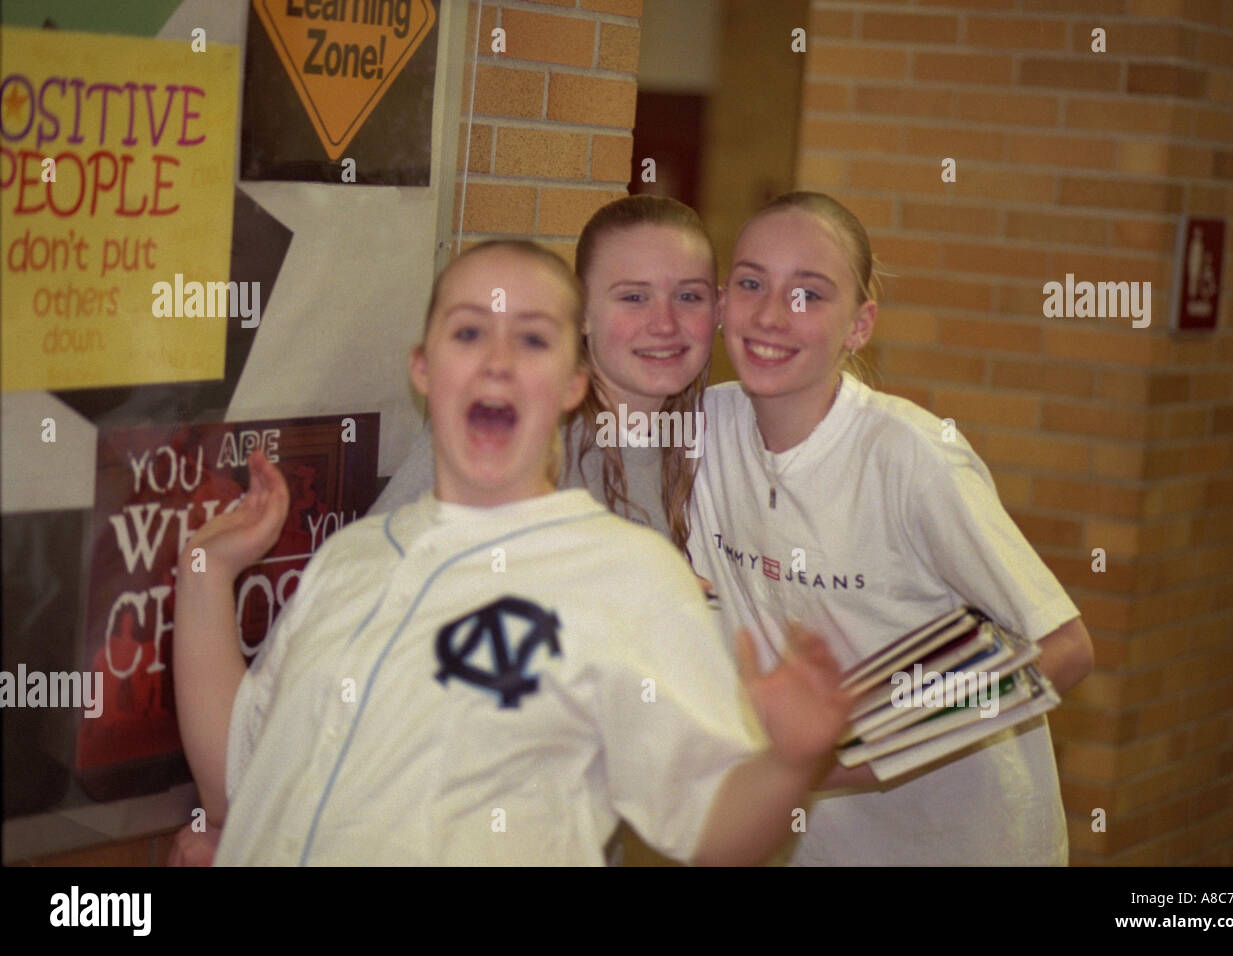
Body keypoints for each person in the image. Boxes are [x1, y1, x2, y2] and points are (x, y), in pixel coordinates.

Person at [174, 239, 850, 865]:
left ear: (571, 383)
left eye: (531, 339)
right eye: (469, 333)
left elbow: (708, 824)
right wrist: (207, 574)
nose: (498, 360)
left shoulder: (630, 576)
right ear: (423, 367)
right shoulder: (349, 563)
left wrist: (789, 766)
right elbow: (238, 787)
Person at [687, 192, 1095, 866]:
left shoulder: (913, 456)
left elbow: (1065, 648)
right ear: (724, 299)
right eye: (753, 283)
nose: (769, 314)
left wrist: (848, 756)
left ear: (860, 324)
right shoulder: (704, 428)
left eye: (809, 295)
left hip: (968, 846)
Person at [373, 196, 717, 555]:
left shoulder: (714, 437)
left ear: (718, 306)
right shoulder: (508, 424)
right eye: (633, 297)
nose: (664, 323)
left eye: (688, 296)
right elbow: (373, 570)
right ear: (580, 311)